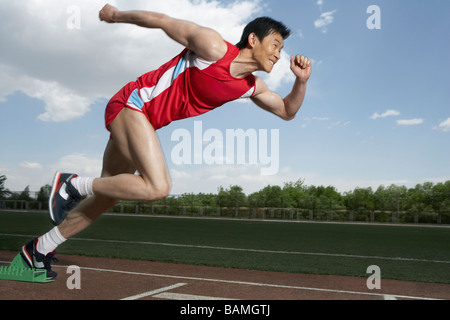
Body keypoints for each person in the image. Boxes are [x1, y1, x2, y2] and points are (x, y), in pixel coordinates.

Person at [20, 4, 312, 280]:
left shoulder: (251, 86)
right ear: (253, 39)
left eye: (282, 49)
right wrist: (117, 15)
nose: (279, 54)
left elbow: (287, 111)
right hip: (131, 105)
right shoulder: (212, 47)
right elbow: (162, 21)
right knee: (158, 187)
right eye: (275, 45)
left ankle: (38, 250)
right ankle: (71, 184)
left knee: (108, 194)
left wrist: (301, 80)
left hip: (143, 123)